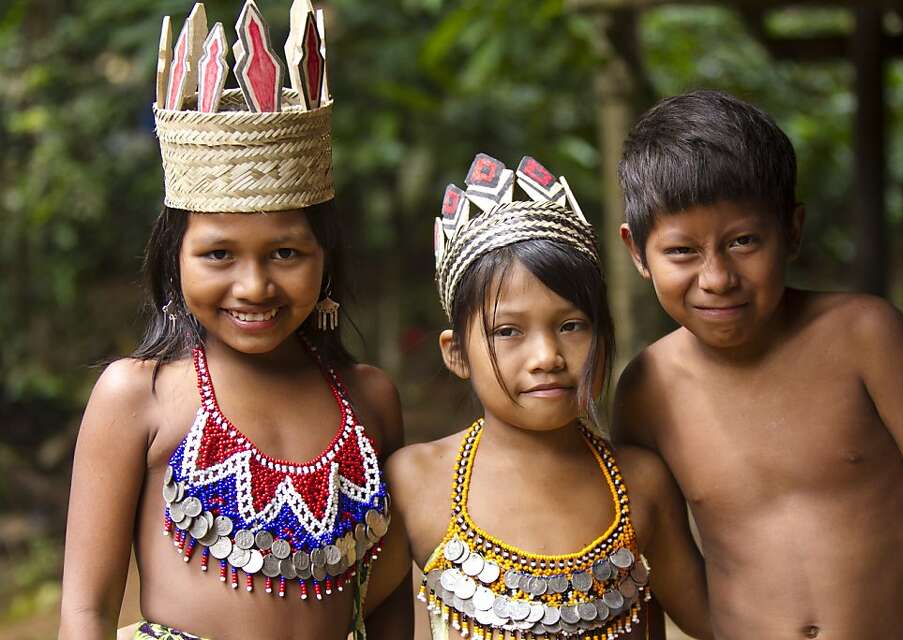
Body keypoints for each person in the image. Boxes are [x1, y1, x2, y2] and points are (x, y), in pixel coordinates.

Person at [58, 2, 410, 639]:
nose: (254, 286)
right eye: (218, 254)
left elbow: (387, 603)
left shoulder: (371, 400)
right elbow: (87, 608)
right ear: (174, 259)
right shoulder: (139, 397)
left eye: (286, 253)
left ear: (325, 258)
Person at [615, 89, 903, 640]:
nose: (717, 278)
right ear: (637, 253)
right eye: (683, 251)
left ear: (792, 231)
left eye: (744, 241)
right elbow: (645, 562)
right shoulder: (646, 390)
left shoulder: (866, 339)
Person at [385, 153, 713, 640]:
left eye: (571, 326)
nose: (547, 356)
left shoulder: (642, 484)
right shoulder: (415, 483)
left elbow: (717, 623)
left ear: (604, 335)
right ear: (456, 353)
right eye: (508, 332)